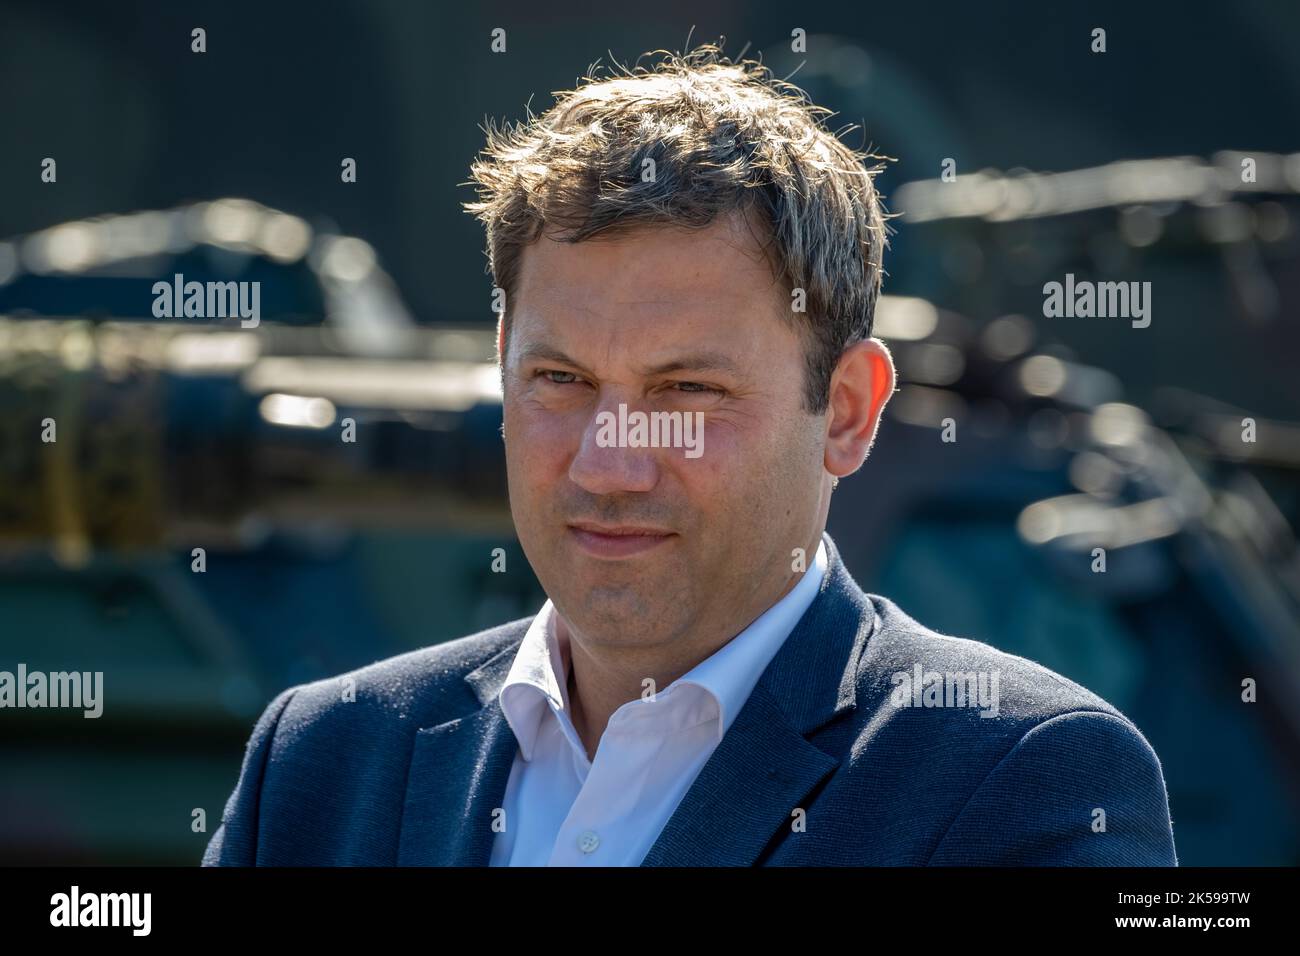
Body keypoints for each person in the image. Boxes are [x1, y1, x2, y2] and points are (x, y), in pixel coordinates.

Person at [203, 45, 1177, 867]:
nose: (606, 464)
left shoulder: (1025, 782)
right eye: (559, 379)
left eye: (687, 391)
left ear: (845, 410)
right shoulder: (320, 766)